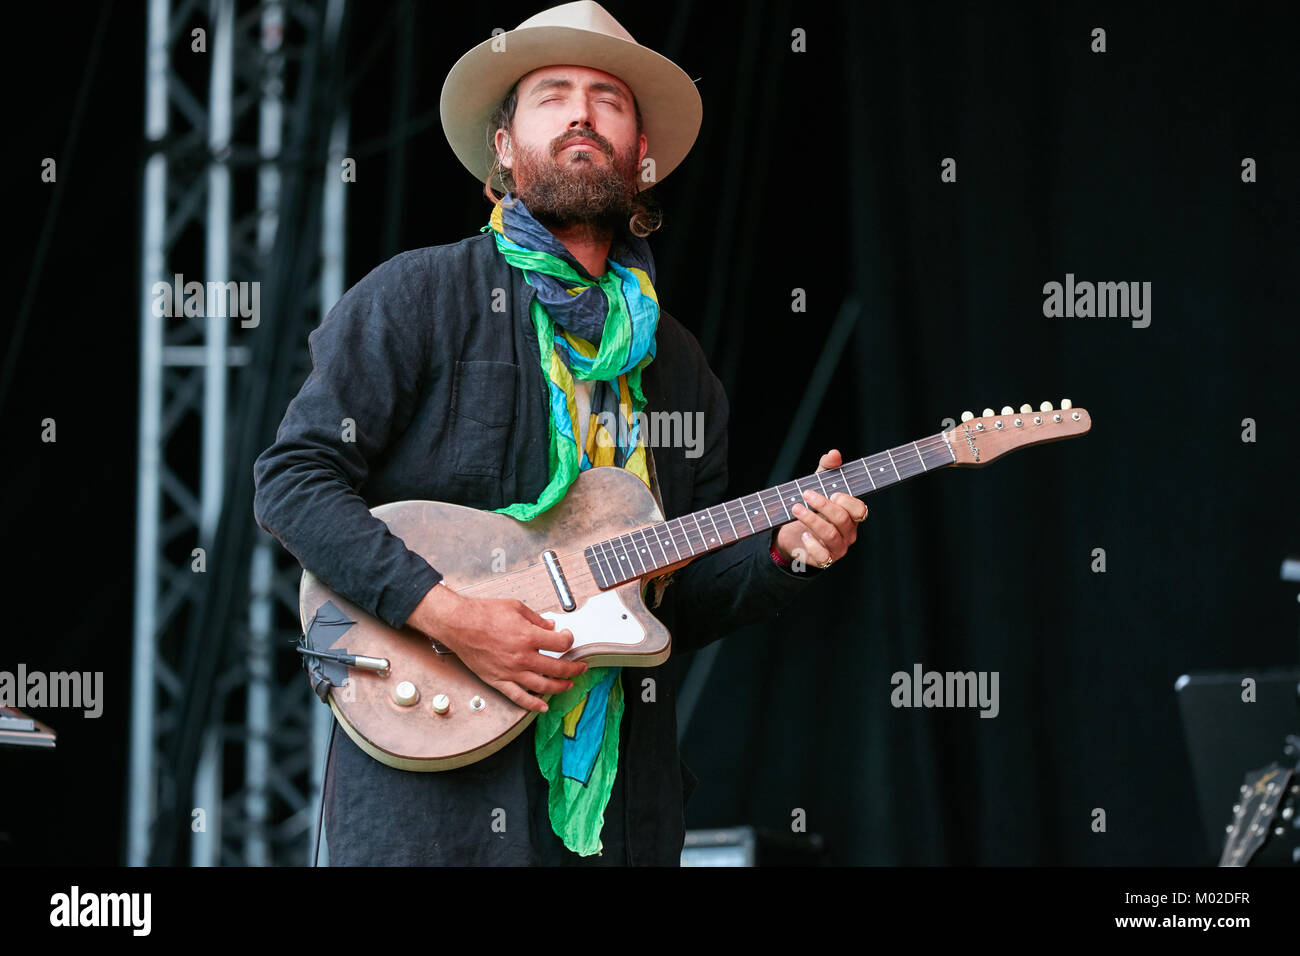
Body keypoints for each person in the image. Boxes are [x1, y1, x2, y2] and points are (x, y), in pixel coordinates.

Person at [252, 0, 868, 866]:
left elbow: (666, 604)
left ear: (641, 158)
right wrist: (455, 617)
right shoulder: (417, 296)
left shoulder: (680, 368)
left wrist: (788, 553)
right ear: (504, 147)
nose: (581, 112)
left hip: (618, 812)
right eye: (552, 94)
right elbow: (293, 481)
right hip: (432, 811)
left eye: (608, 99)